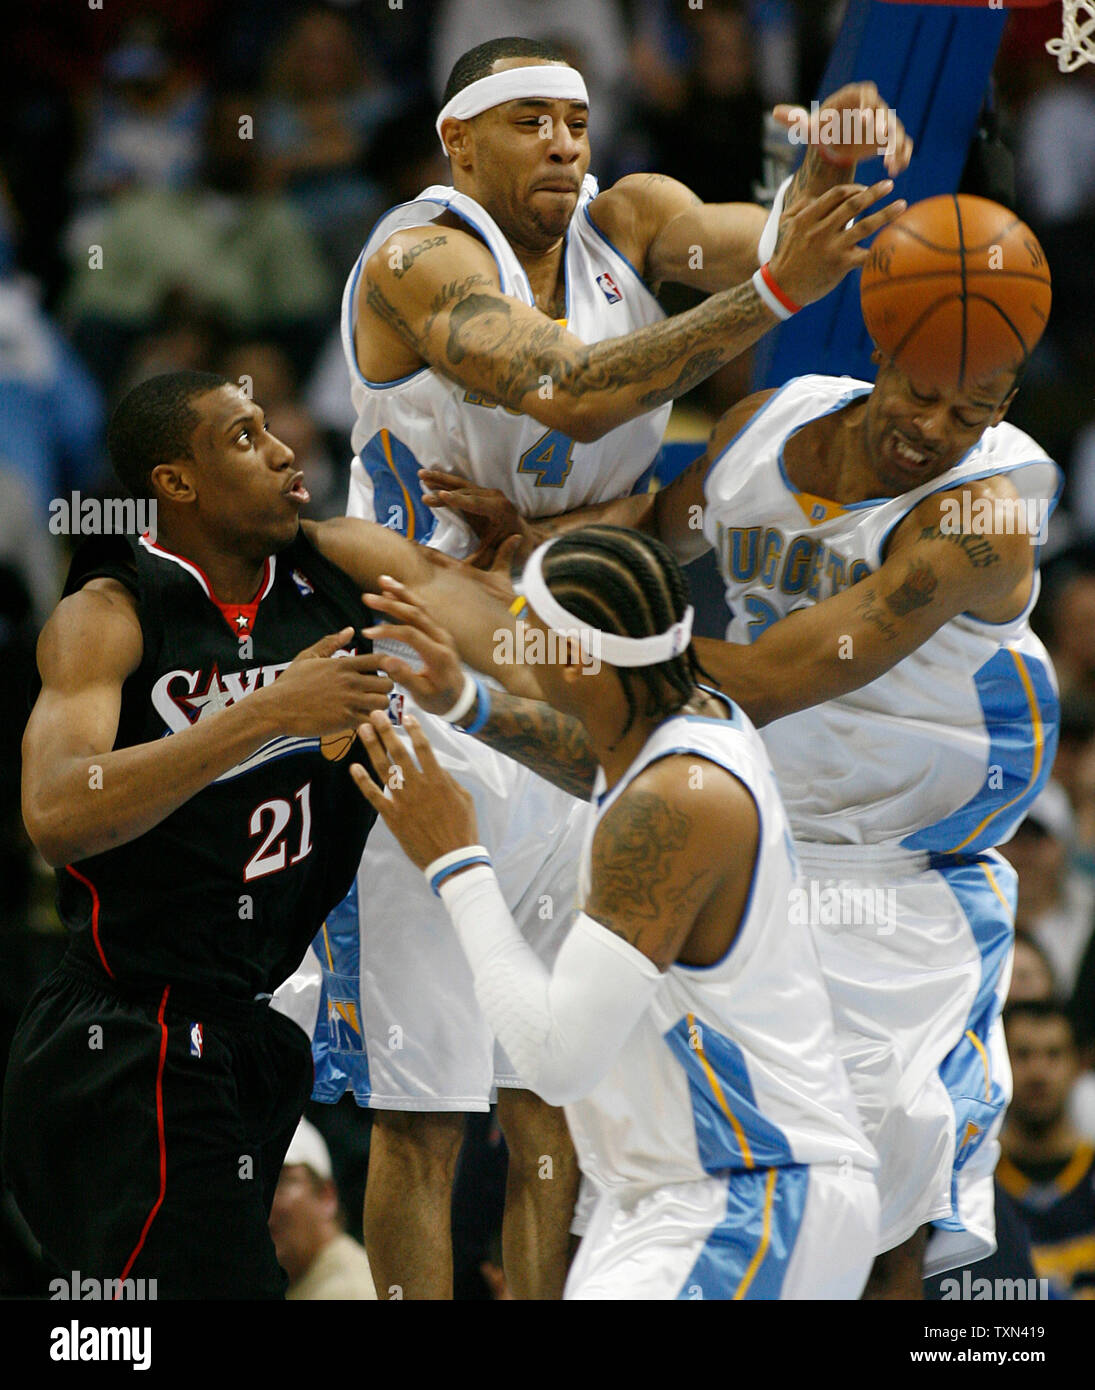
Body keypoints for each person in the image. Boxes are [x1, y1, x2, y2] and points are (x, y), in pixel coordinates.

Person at [324, 31, 910, 1300]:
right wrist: (775, 296)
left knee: (562, 1099)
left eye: (576, 122)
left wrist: (835, 172)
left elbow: (767, 236)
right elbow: (573, 391)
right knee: (425, 1112)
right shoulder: (415, 255)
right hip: (429, 656)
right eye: (528, 121)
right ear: (457, 141)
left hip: (584, 661)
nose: (562, 145)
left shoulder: (633, 220)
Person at [434, 342, 1063, 1295]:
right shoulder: (771, 425)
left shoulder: (981, 516)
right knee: (602, 1115)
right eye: (922, 394)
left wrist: (525, 632)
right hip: (767, 823)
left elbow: (768, 681)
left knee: (888, 1192)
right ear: (884, 354)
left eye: (969, 416)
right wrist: (539, 554)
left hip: (903, 869)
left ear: (1004, 408)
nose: (933, 431)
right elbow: (654, 531)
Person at [1, 370, 529, 1298]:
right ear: (176, 483)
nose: (285, 447)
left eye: (271, 424)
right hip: (130, 1040)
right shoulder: (109, 617)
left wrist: (528, 553)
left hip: (244, 1029)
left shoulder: (346, 560)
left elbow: (527, 642)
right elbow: (55, 814)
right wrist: (268, 715)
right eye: (244, 437)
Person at [349, 527, 880, 1300]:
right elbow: (583, 748)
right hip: (680, 1195)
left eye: (530, 619)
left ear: (581, 661)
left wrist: (455, 862)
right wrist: (464, 701)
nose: (509, 628)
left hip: (745, 1194)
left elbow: (557, 1056)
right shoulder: (687, 719)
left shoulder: (671, 804)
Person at [998, 1001, 1095, 1298]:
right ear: (999, 1062)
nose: (1038, 1072)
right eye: (1023, 1055)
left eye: (1054, 1054)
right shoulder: (970, 1183)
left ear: (1079, 1065)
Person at [269, 1118, 377, 1300]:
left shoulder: (349, 1292)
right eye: (253, 1187)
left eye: (281, 1182)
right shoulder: (299, 1283)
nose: (264, 1204)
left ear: (326, 1196)